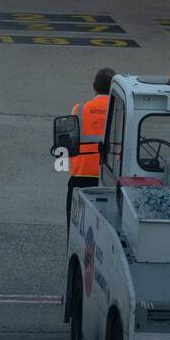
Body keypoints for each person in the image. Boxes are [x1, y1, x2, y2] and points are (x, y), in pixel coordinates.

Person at [66, 67, 115, 233]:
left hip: (81, 175)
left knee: (75, 226)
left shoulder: (78, 109)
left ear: (94, 86)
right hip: (110, 177)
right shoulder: (121, 111)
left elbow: (68, 140)